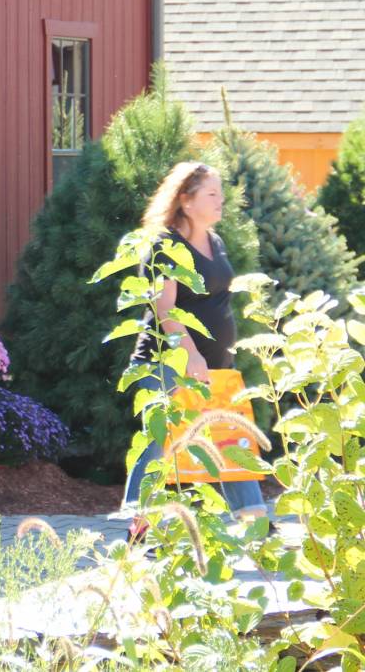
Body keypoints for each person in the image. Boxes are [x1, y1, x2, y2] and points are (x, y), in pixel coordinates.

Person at [122, 161, 266, 520]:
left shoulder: (214, 241)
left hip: (217, 368)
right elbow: (163, 307)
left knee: (231, 439)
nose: (221, 201)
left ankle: (255, 522)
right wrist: (191, 355)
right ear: (186, 200)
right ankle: (139, 527)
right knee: (156, 445)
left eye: (221, 193)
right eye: (212, 194)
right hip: (167, 364)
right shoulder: (165, 245)